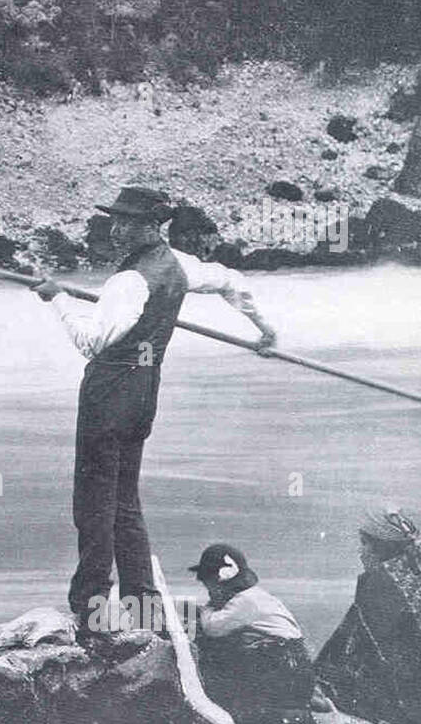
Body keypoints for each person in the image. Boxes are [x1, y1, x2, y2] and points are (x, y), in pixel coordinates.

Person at [32, 186, 277, 636]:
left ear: (148, 226)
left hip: (108, 391)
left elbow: (91, 342)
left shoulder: (127, 282)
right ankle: (142, 605)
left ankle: (89, 613)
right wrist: (264, 330)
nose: (114, 228)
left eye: (123, 221)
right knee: (125, 502)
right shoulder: (177, 265)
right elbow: (231, 281)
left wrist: (57, 299)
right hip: (145, 390)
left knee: (94, 505)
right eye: (114, 219)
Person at [190, 543, 315, 724]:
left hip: (282, 666)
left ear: (218, 582)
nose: (208, 589)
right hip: (293, 665)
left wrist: (206, 608)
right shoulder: (255, 596)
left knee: (245, 715)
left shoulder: (244, 602)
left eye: (209, 583)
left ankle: (298, 716)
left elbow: (212, 628)